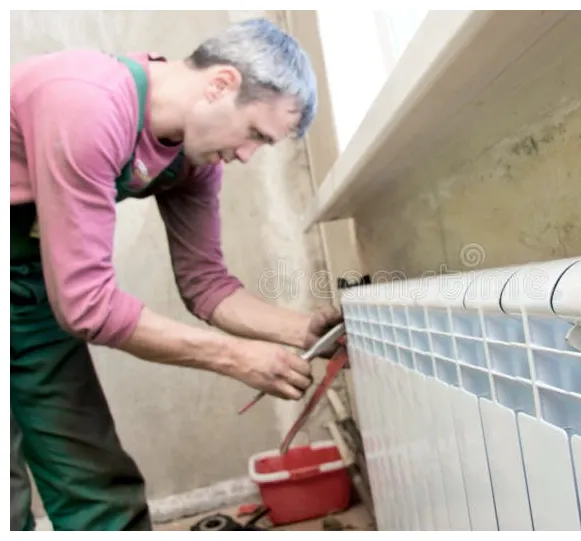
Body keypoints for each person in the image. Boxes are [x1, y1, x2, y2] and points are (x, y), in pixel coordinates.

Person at [10, 18, 341, 531]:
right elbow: (87, 306)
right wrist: (234, 356)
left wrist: (303, 332)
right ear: (221, 84)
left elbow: (206, 284)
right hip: (51, 286)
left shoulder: (194, 162)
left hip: (30, 284)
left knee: (93, 482)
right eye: (255, 133)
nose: (246, 155)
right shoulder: (87, 101)